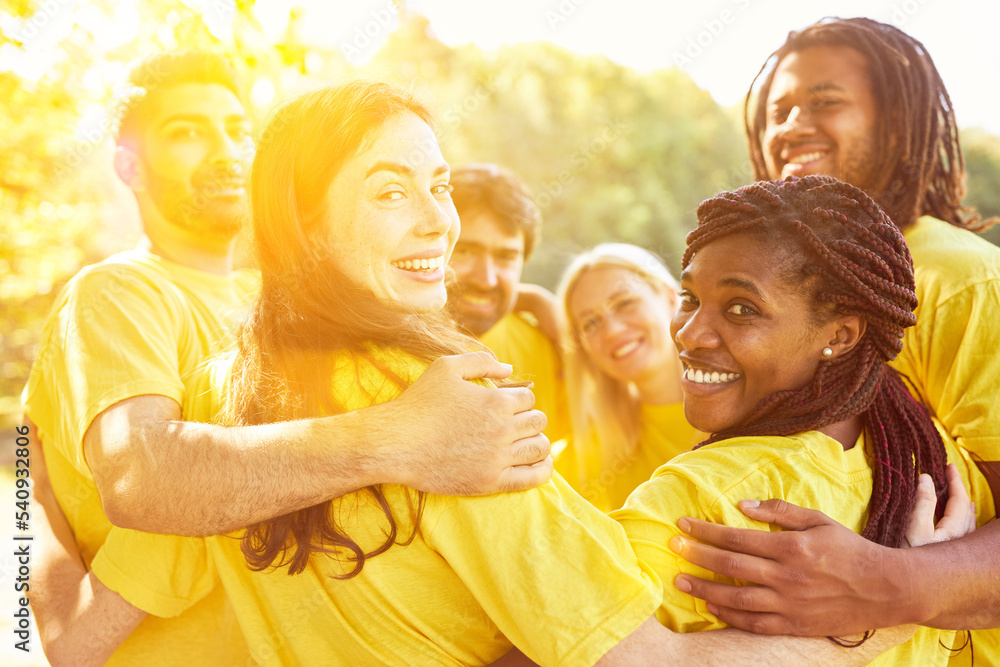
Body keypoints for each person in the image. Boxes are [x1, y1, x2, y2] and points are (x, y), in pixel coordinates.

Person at [62, 82, 916, 667]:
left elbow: (70, 636)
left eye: (439, 184)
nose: (439, 219)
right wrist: (892, 612)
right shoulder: (454, 408)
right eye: (390, 191)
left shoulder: (221, 396)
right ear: (303, 220)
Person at [22, 53, 551, 665]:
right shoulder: (117, 293)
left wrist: (538, 301)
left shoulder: (275, 304)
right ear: (129, 165)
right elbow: (141, 479)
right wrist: (399, 439)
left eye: (237, 128)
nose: (224, 150)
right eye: (187, 132)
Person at [668, 18, 1000, 660]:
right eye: (778, 109)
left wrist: (889, 583)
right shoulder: (762, 295)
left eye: (825, 102)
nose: (792, 125)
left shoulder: (960, 282)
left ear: (898, 121)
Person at [610, 175, 993, 665]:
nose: (689, 333)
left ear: (840, 334)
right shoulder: (931, 461)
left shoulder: (707, 501)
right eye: (689, 298)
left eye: (741, 308)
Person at [556, 243, 700, 510]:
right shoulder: (581, 462)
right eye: (591, 323)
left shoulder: (752, 410)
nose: (611, 330)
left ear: (670, 298)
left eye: (625, 303)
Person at [448, 163, 571, 442]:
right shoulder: (379, 345)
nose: (486, 279)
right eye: (465, 251)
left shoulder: (548, 346)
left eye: (505, 257)